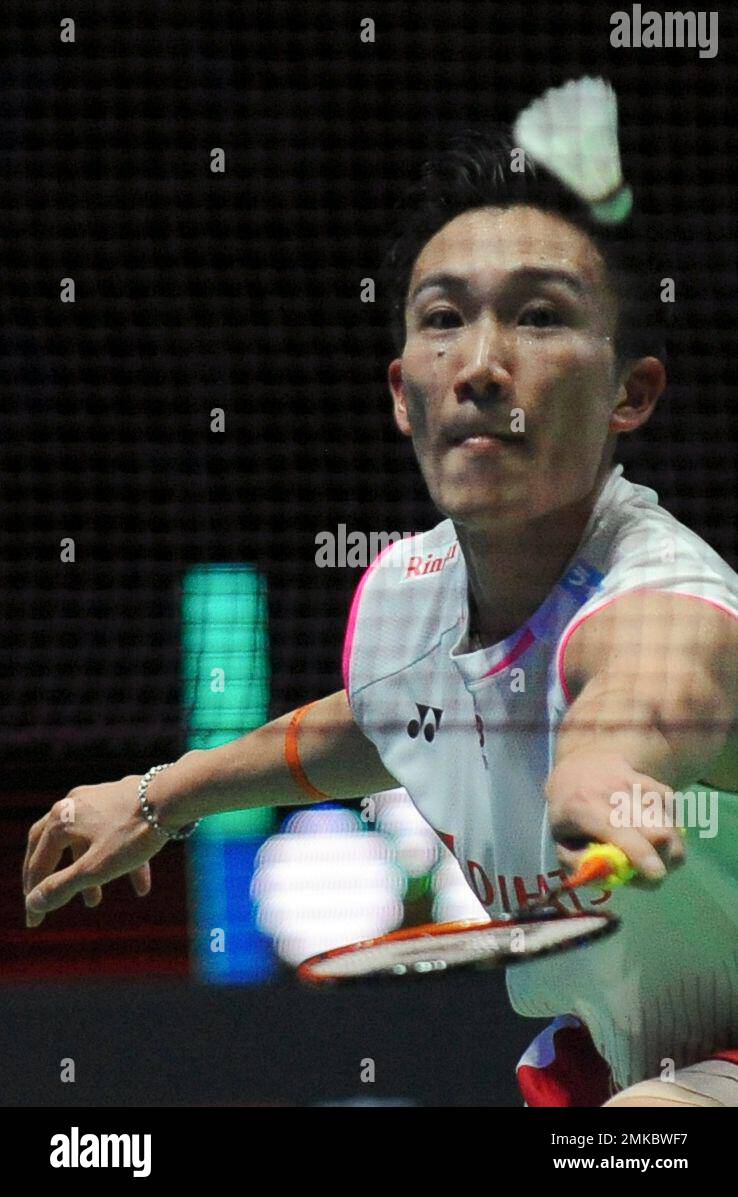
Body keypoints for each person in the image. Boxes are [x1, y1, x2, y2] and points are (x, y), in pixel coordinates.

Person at [22, 125, 738, 1108]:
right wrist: (159, 798)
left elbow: (648, 691)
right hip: (622, 1047)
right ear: (405, 394)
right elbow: (388, 718)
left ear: (631, 392)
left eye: (538, 317)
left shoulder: (667, 596)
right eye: (443, 318)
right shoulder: (410, 594)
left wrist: (598, 776)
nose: (481, 366)